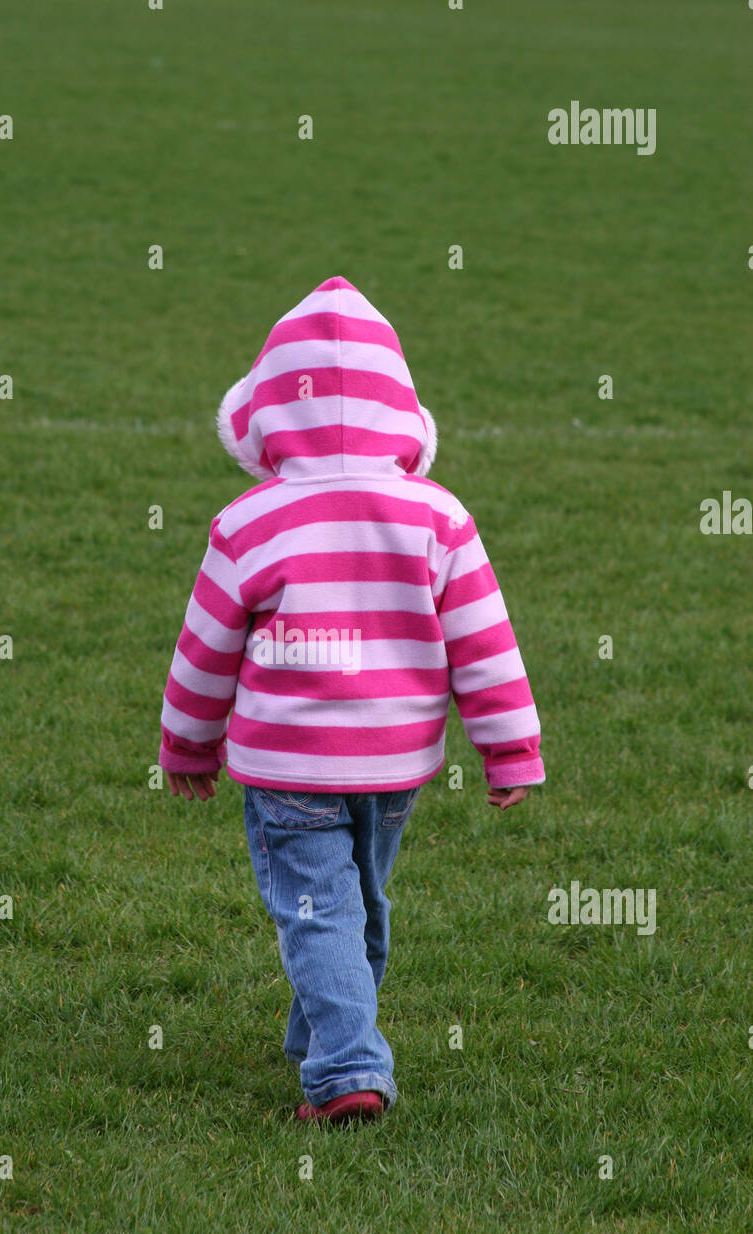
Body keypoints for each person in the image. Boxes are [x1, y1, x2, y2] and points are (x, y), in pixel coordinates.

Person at [159, 276, 545, 1124]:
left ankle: (346, 1069)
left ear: (264, 410)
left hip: (290, 766)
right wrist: (510, 747)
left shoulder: (250, 523)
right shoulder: (439, 520)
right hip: (395, 765)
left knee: (319, 910)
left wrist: (186, 746)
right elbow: (487, 644)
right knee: (357, 904)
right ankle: (326, 1036)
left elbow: (206, 650)